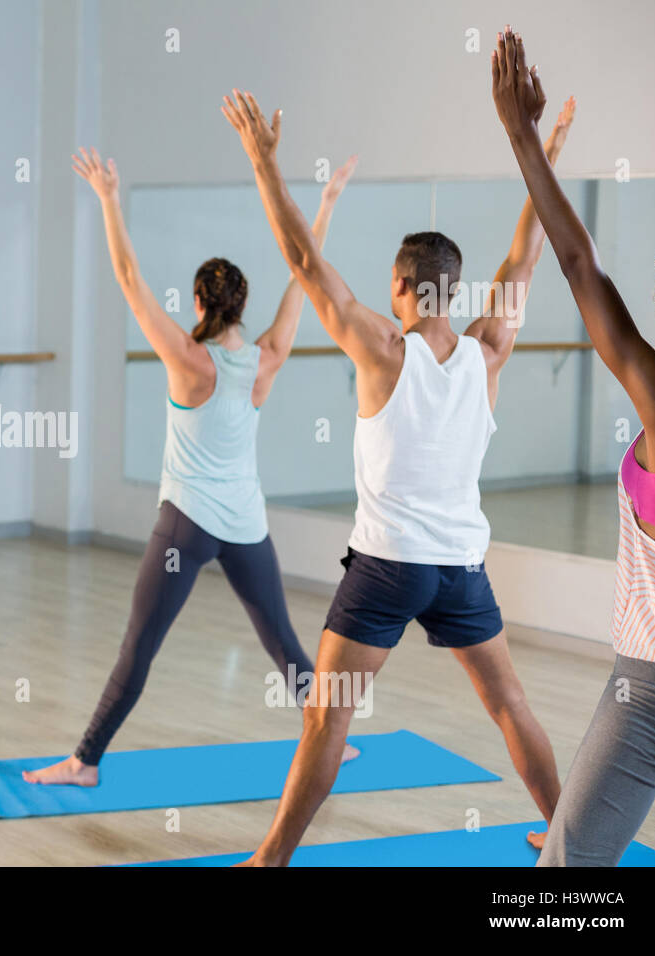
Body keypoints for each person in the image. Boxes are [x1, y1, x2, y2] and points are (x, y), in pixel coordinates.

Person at [221, 81, 574, 864]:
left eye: (393, 286)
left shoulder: (383, 349)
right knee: (509, 701)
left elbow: (304, 260)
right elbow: (527, 254)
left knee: (328, 716)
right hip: (461, 569)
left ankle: (271, 858)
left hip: (386, 570)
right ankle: (567, 835)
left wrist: (262, 161)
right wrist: (542, 155)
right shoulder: (489, 353)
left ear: (407, 289)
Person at [24, 147, 356, 787]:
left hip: (185, 526)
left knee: (139, 650)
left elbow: (126, 275)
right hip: (246, 524)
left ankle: (84, 761)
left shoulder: (186, 358)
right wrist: (326, 204)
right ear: (240, 302)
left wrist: (109, 197)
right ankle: (332, 744)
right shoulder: (265, 360)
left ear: (201, 301)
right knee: (284, 642)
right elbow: (305, 275)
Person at [489, 27, 655, 866]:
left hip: (651, 689)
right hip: (646, 685)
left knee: (566, 876)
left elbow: (577, 264)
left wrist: (523, 136)